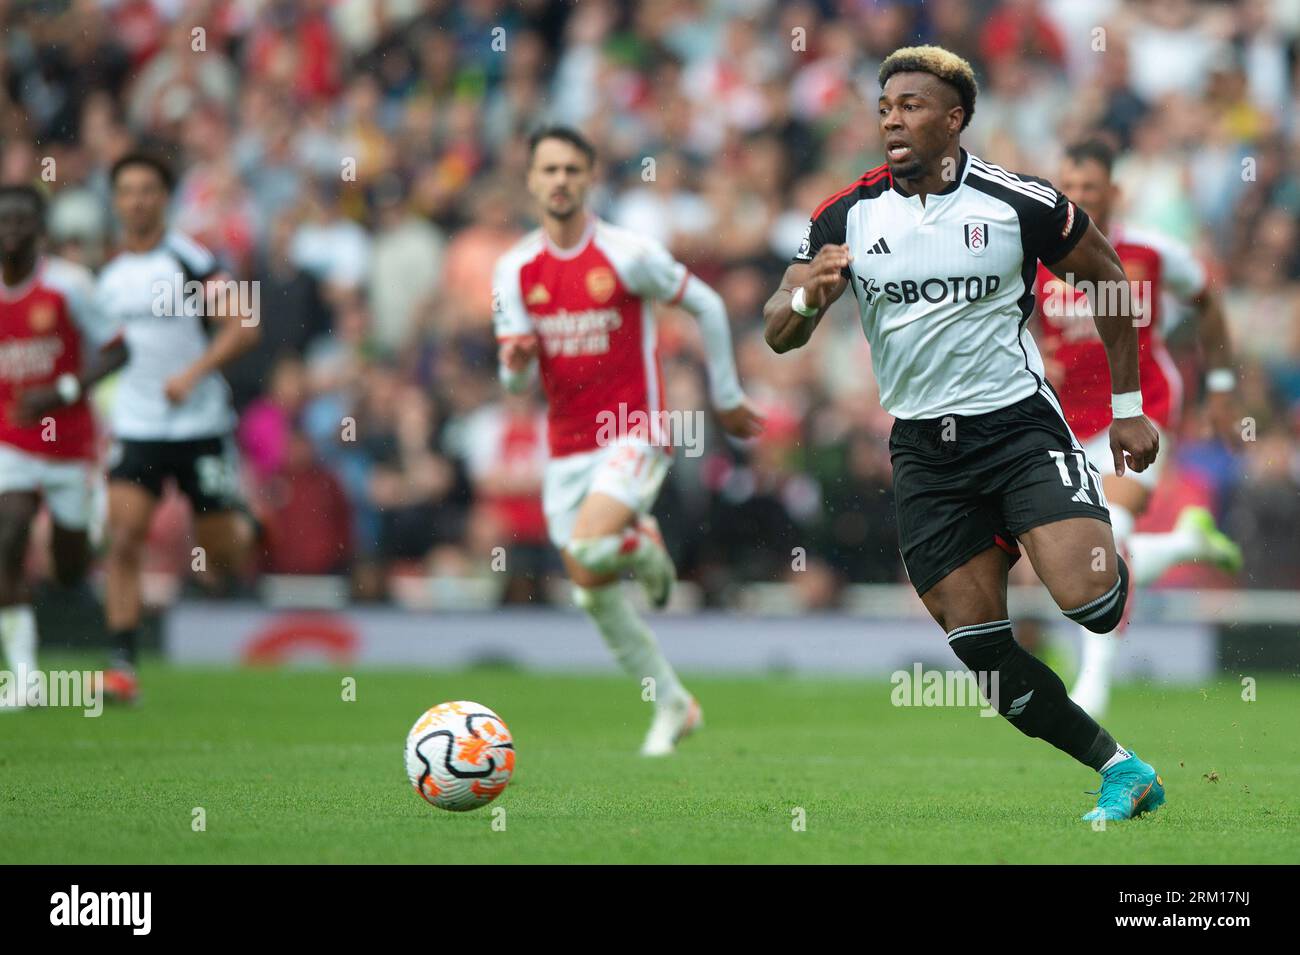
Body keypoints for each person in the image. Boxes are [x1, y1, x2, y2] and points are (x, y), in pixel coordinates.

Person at [763, 46, 1163, 822]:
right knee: (979, 646)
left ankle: (1112, 553)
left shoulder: (1018, 203)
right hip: (923, 451)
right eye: (884, 106)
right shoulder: (846, 215)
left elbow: (1109, 276)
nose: (891, 118)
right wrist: (808, 298)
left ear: (954, 119)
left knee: (1090, 601)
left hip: (1017, 428)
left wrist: (1127, 405)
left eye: (911, 105)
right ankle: (1122, 769)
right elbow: (778, 330)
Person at [493, 126, 764, 755]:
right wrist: (513, 363)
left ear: (589, 178)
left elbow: (709, 305)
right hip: (564, 446)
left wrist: (724, 396)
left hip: (633, 429)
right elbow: (513, 383)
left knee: (591, 546)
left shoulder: (627, 253)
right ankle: (672, 703)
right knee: (590, 592)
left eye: (571, 170)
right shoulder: (514, 270)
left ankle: (639, 543)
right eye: (548, 170)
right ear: (531, 181)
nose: (559, 180)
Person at [1034, 138, 1242, 717]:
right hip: (1065, 424)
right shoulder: (1038, 256)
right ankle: (1185, 543)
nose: (1076, 199)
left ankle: (1092, 686)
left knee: (1107, 538)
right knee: (1077, 555)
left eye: (1089, 189)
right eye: (1068, 189)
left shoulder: (1150, 253)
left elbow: (1208, 299)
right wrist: (1032, 354)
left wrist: (1222, 387)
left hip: (1139, 413)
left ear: (1114, 193)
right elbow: (1011, 318)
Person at [98, 153, 260, 703]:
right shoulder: (110, 276)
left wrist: (192, 375)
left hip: (199, 424)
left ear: (164, 197)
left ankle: (246, 525)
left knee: (221, 558)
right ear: (116, 201)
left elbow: (244, 325)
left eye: (147, 189)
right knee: (123, 538)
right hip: (137, 427)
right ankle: (122, 664)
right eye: (127, 191)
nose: (137, 200)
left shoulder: (190, 259)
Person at [0, 185, 126, 709]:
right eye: (3, 221)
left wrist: (63, 391)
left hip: (70, 446)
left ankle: (87, 535)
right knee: (7, 535)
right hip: (9, 441)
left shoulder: (69, 286)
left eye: (22, 222)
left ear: (40, 231)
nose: (11, 231)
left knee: (68, 569)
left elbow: (118, 350)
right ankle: (25, 677)